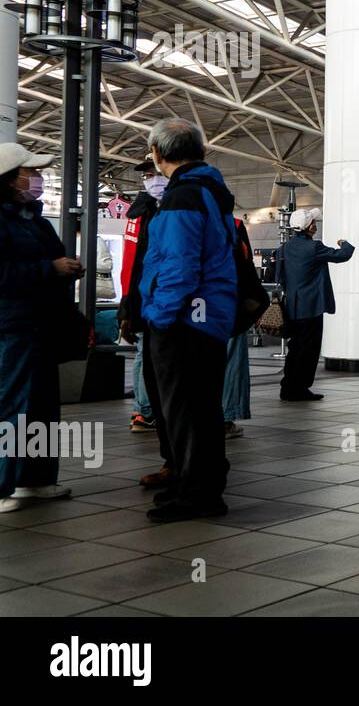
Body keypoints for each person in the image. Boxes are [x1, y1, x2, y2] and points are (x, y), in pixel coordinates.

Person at [138, 118, 237, 522]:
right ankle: (194, 484)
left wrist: (159, 317)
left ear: (158, 154)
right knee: (200, 407)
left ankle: (198, 495)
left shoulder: (183, 198)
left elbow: (179, 264)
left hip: (184, 320)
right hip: (206, 318)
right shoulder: (209, 190)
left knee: (186, 408)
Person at [0, 144, 82, 514]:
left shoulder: (35, 220)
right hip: (12, 327)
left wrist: (66, 268)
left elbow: (52, 257)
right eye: (29, 173)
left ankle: (35, 479)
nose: (38, 179)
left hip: (40, 325)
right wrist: (50, 269)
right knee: (12, 406)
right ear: (7, 179)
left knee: (43, 407)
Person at [276, 207, 355, 401]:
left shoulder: (283, 249)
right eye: (314, 223)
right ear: (309, 227)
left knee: (295, 348)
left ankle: (288, 386)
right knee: (308, 350)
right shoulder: (314, 247)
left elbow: (279, 276)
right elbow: (342, 255)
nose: (316, 225)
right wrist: (345, 243)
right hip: (310, 307)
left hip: (291, 307)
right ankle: (300, 388)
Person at [119, 159, 167, 435]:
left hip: (147, 296)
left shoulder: (141, 212)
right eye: (147, 176)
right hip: (151, 297)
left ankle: (146, 410)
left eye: (153, 174)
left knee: (145, 353)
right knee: (146, 353)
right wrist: (127, 306)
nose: (150, 180)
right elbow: (132, 263)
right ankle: (145, 411)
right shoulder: (142, 213)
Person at [221, 216, 255, 439]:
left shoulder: (178, 217)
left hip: (191, 306)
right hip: (228, 302)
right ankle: (225, 418)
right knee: (231, 359)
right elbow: (245, 263)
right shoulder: (232, 224)